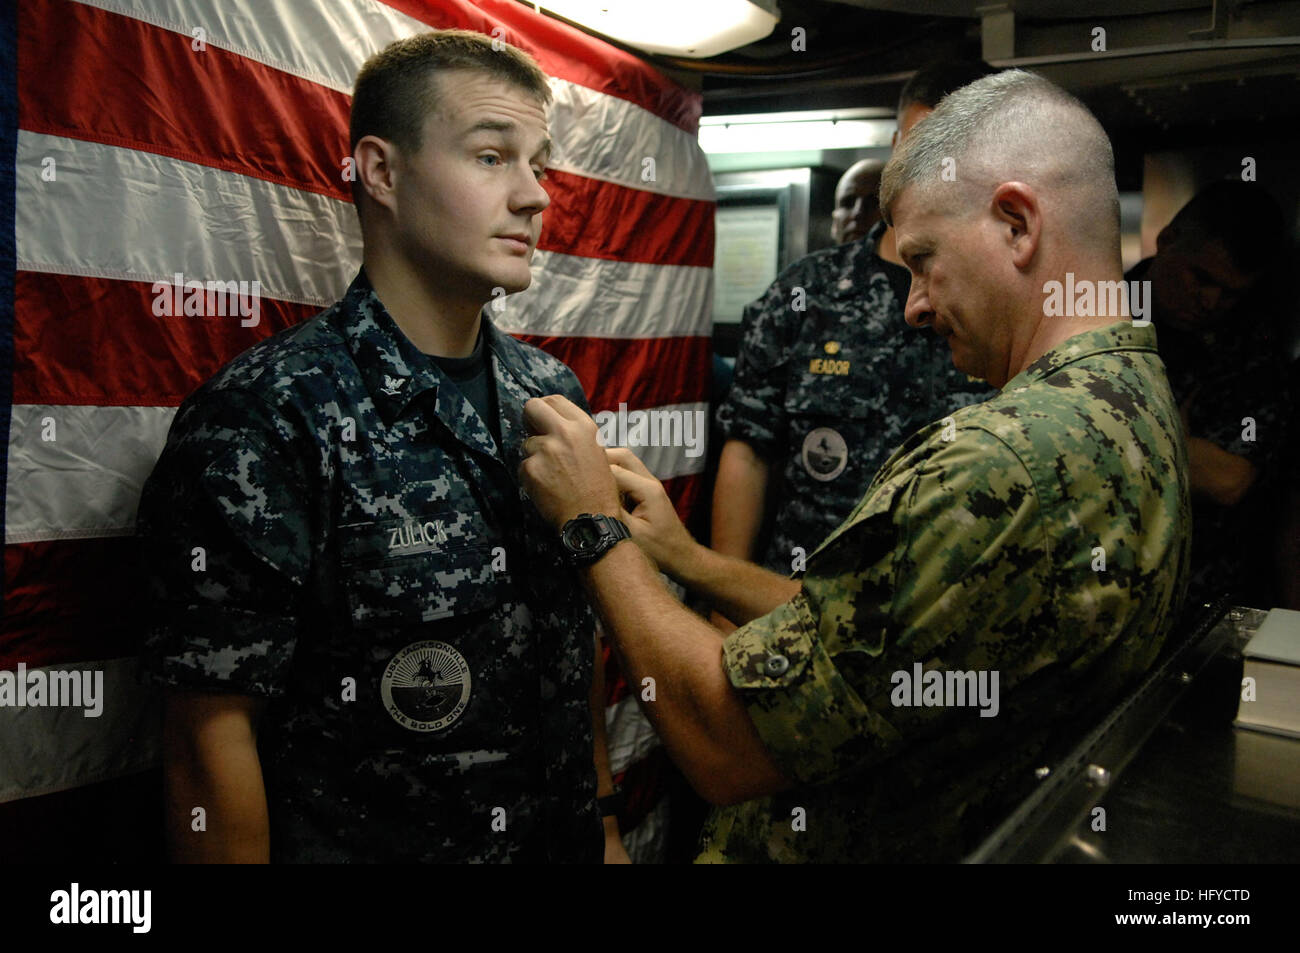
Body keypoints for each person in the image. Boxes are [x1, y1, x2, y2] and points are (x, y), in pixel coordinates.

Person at [517, 69, 1191, 862]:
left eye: (924, 258)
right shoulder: (1137, 400)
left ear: (1017, 223)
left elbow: (724, 742)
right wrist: (687, 560)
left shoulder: (998, 460)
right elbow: (878, 628)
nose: (911, 304)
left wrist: (593, 526)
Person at [136, 30, 626, 863]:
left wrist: (607, 827)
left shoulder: (551, 397)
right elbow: (210, 746)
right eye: (490, 157)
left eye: (538, 163)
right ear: (382, 170)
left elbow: (569, 644)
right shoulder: (266, 417)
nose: (534, 196)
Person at [711, 61, 996, 594]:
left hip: (946, 615)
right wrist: (726, 593)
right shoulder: (807, 295)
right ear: (894, 146)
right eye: (919, 145)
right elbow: (749, 450)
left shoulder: (1004, 306)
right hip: (800, 608)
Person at [1126, 181, 1290, 607]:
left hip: (1203, 598)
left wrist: (1111, 434)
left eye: (1231, 292)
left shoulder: (1251, 346)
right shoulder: (1095, 310)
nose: (1211, 300)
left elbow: (1227, 480)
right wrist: (1176, 440)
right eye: (1200, 277)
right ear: (1167, 241)